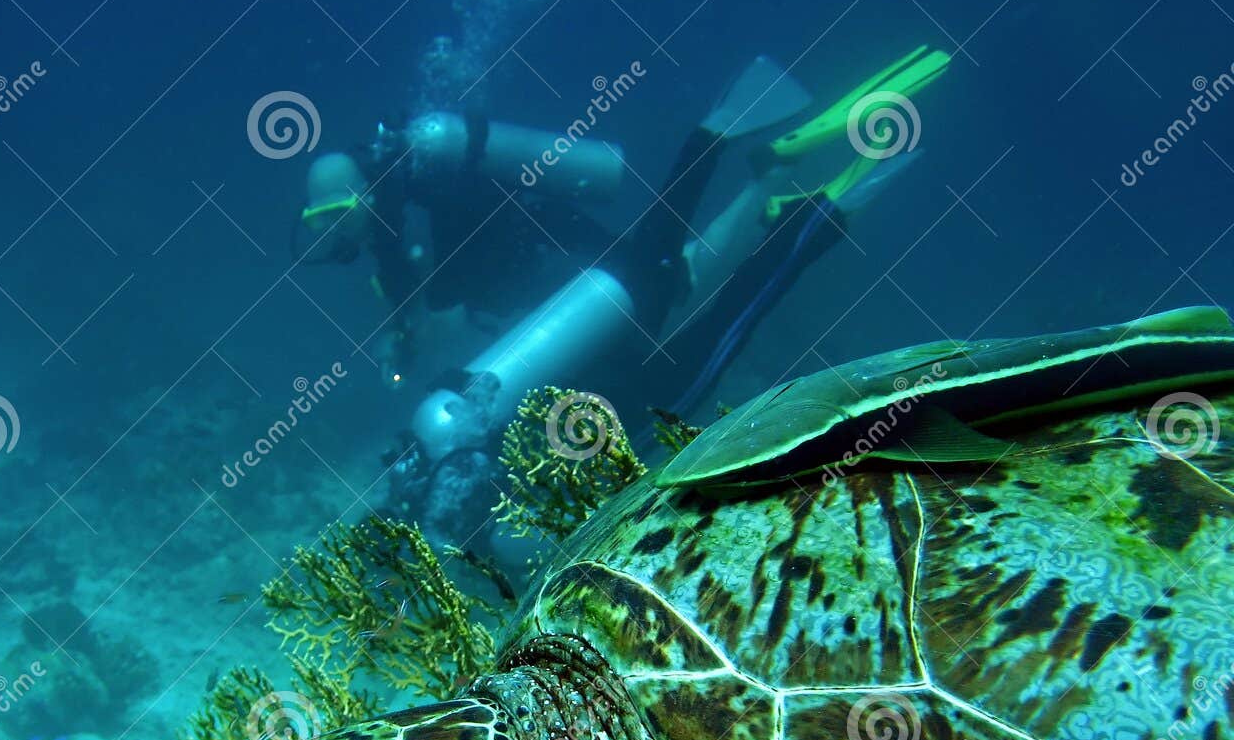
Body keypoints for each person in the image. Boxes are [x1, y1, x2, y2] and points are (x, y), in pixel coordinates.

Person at [299, 46, 950, 549]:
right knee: (681, 268)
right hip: (592, 303)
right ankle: (770, 189)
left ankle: (805, 208)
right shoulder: (468, 426)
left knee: (725, 312)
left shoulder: (474, 453)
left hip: (617, 353)